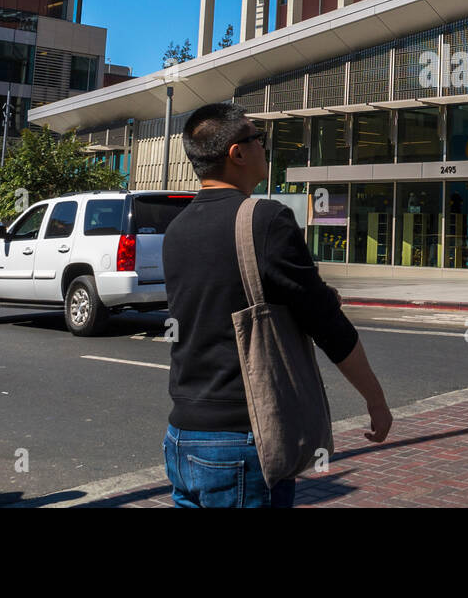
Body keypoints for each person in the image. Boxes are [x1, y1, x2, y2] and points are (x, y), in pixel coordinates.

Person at [161, 103, 391, 508]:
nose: (265, 147)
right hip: (244, 441)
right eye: (259, 139)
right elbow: (328, 325)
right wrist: (375, 398)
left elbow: (220, 304)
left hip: (183, 437)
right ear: (237, 153)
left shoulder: (176, 229)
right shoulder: (265, 220)